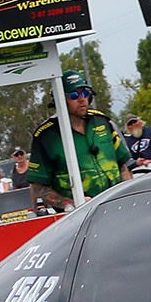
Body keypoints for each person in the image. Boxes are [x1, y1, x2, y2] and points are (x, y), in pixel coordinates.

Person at [18, 72, 131, 214]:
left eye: (84, 93)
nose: (81, 99)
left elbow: (123, 166)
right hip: (78, 216)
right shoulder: (45, 136)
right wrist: (72, 203)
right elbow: (39, 187)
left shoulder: (103, 122)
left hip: (119, 207)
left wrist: (128, 195)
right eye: (73, 95)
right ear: (60, 100)